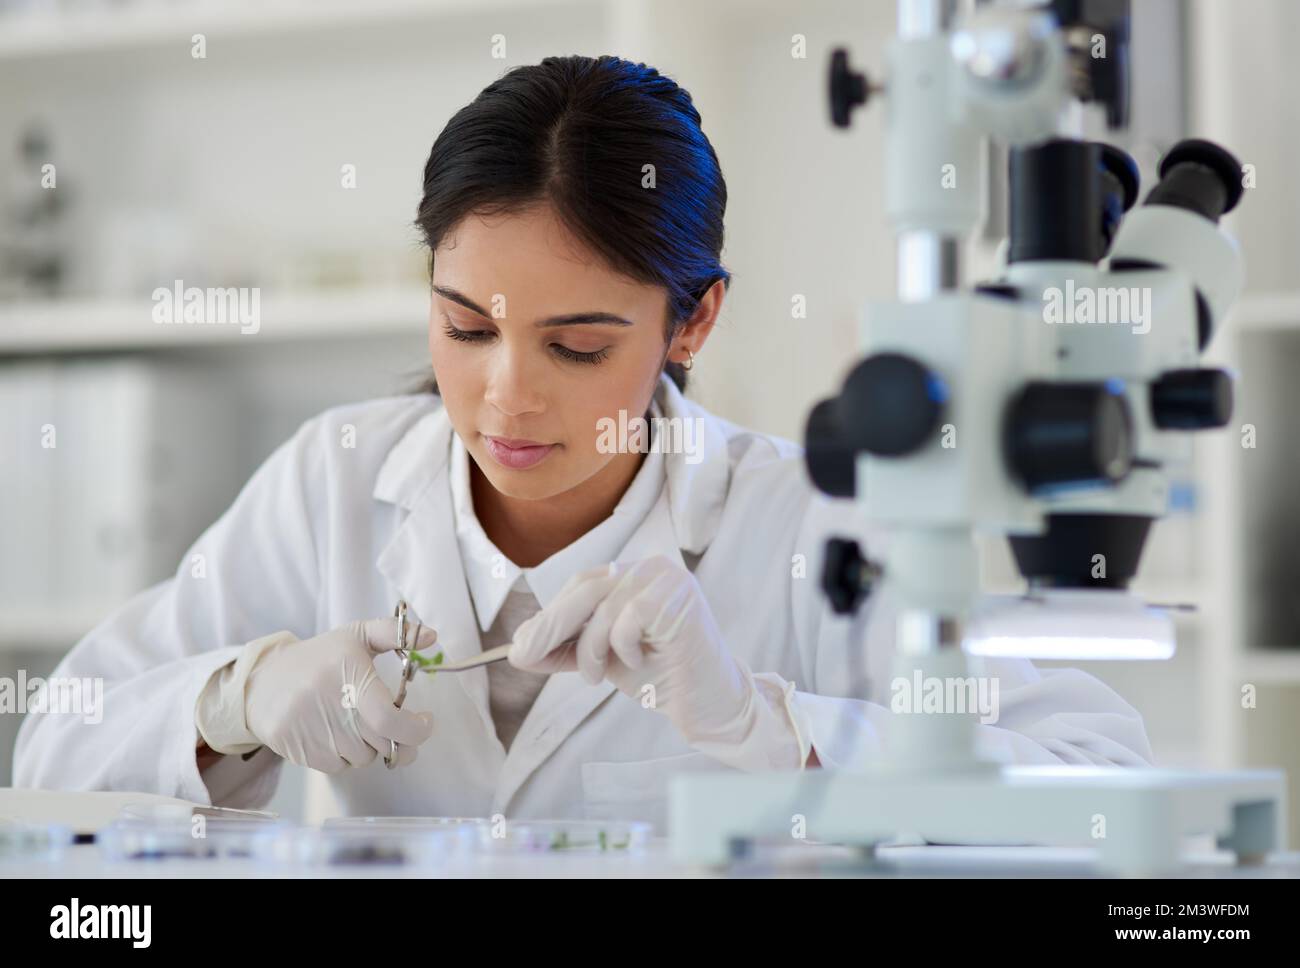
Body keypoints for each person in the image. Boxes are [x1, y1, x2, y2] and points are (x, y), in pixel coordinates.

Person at [14, 55, 1152, 832]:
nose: (505, 398)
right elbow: (52, 755)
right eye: (465, 325)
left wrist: (771, 727)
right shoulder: (336, 477)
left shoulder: (810, 520)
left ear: (693, 319)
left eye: (575, 345)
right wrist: (234, 698)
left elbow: (1103, 783)